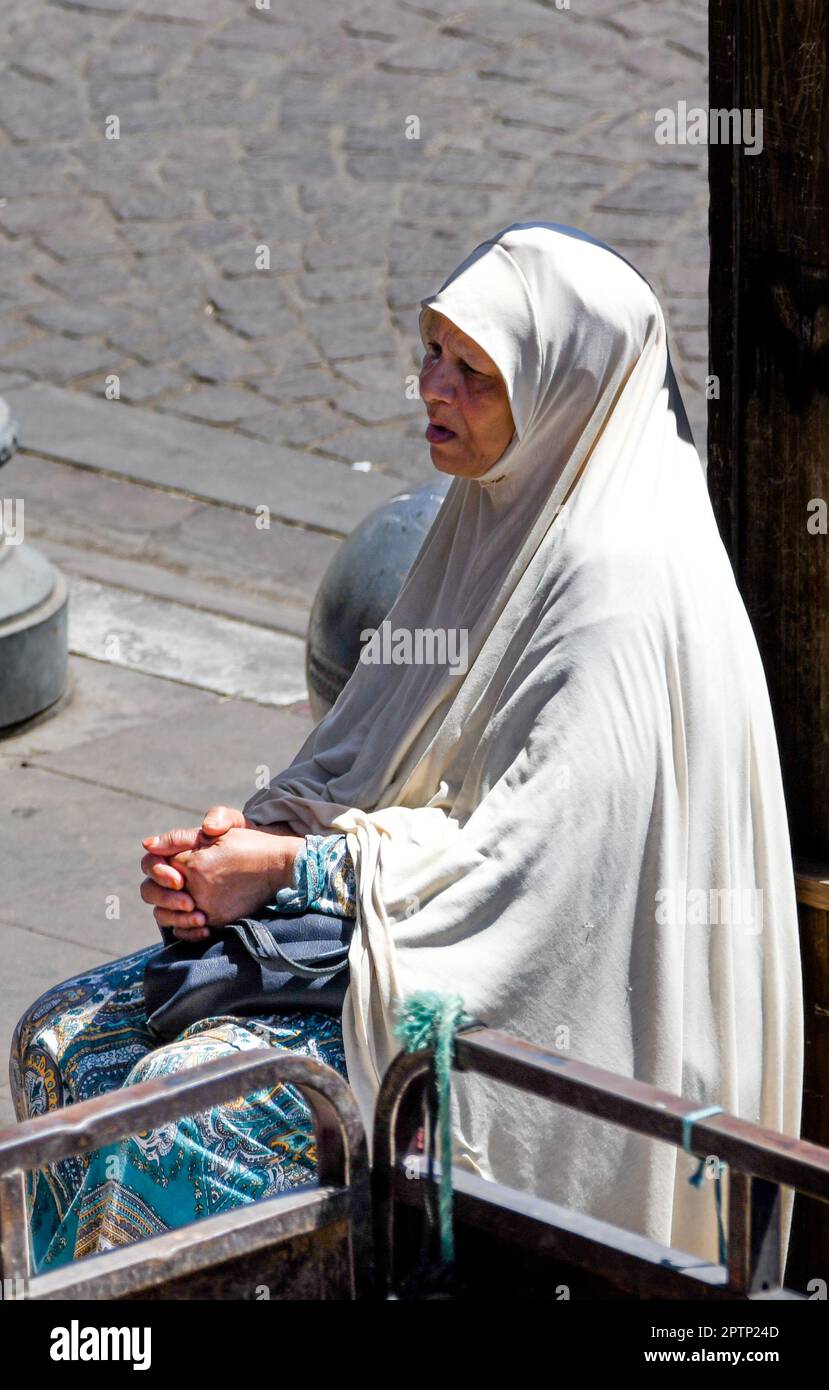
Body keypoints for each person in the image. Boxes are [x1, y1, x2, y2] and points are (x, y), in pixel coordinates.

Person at [10, 222, 803, 1277]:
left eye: (473, 371)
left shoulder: (621, 587)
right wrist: (248, 839)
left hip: (520, 1027)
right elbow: (377, 748)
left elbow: (532, 879)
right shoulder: (498, 511)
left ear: (560, 390)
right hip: (406, 943)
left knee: (158, 1129)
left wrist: (295, 870)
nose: (431, 386)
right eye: (431, 351)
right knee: (60, 1039)